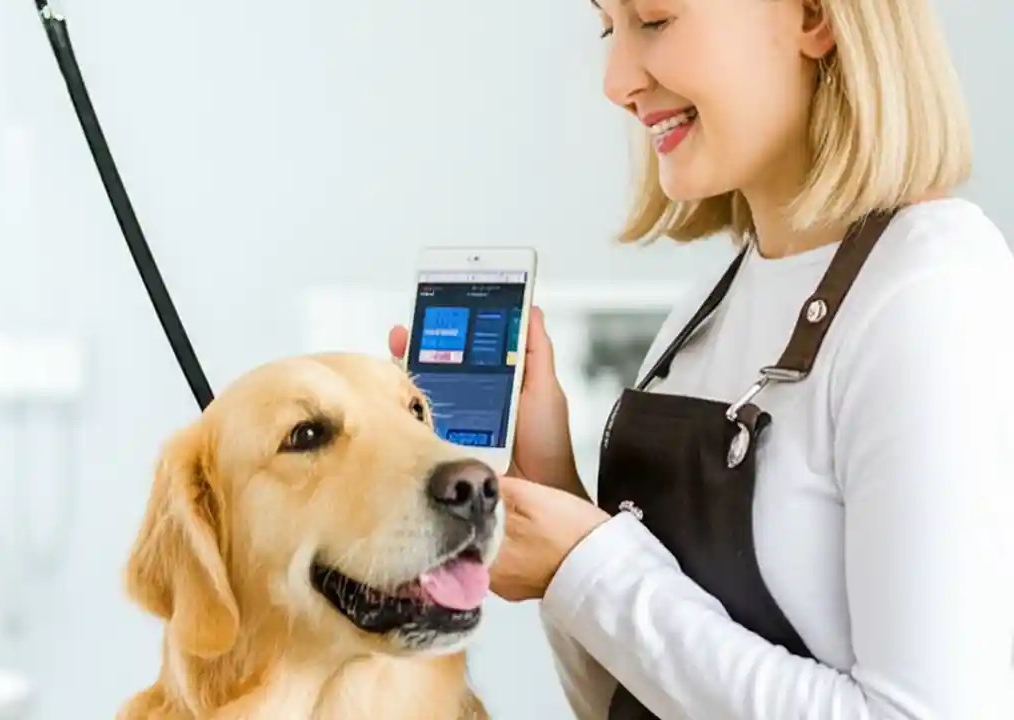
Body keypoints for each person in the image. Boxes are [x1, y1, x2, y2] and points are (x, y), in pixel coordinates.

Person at [389, 0, 1014, 717]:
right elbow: (630, 702)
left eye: (654, 19)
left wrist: (586, 565)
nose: (616, 80)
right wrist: (555, 490)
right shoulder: (705, 311)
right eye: (607, 29)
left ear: (814, 17)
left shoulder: (930, 290)